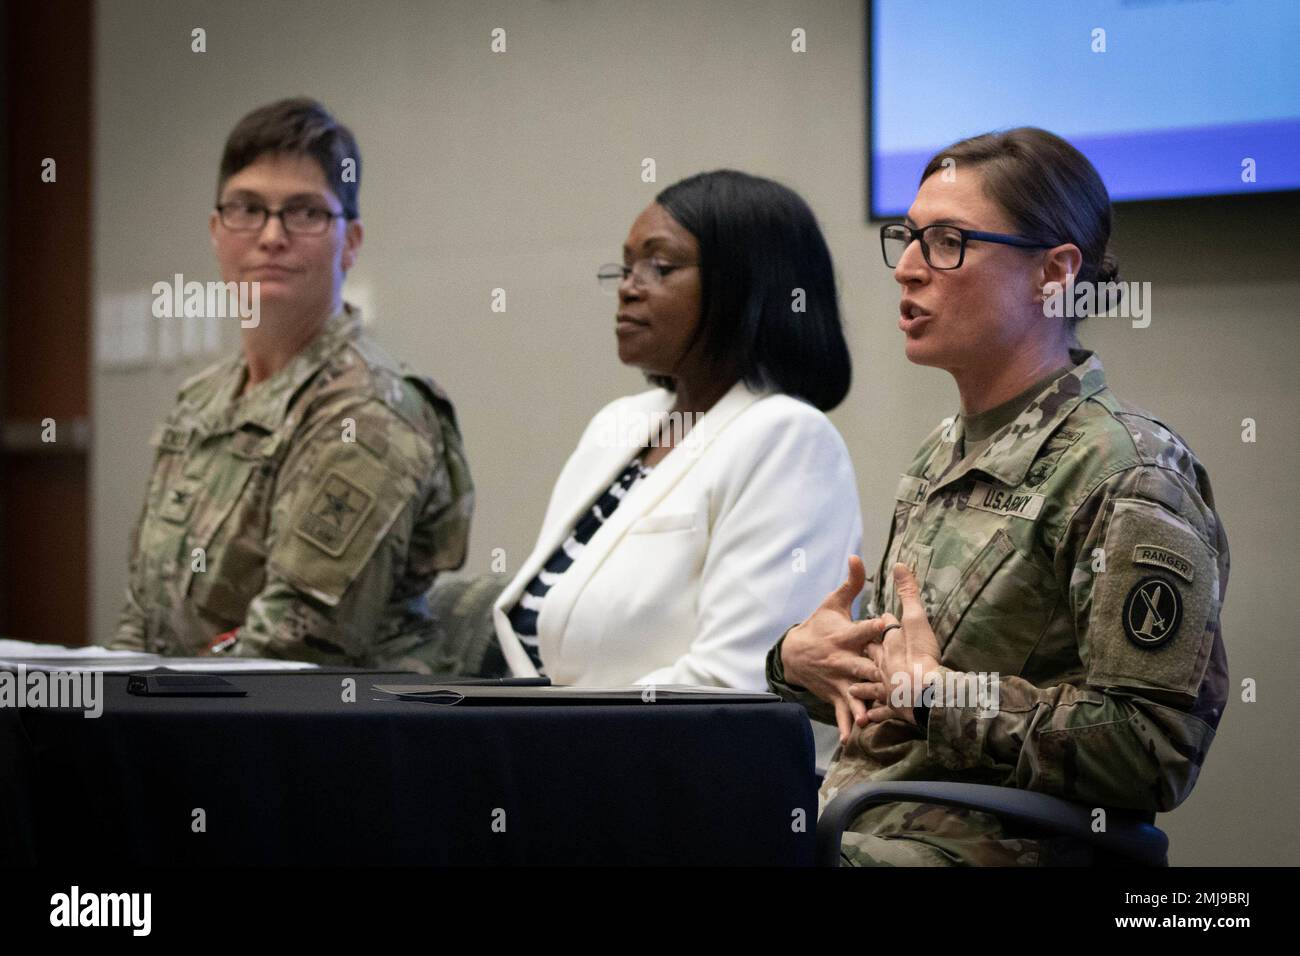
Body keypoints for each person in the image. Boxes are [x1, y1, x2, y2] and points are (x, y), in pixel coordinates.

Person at [768, 128, 1229, 865]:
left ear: (1054, 271)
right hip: (864, 824)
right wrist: (803, 663)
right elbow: (905, 692)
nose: (909, 270)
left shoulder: (1128, 472)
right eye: (909, 238)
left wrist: (942, 699)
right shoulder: (941, 453)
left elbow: (1153, 748)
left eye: (948, 241)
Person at [492, 171, 862, 749]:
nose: (629, 287)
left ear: (746, 287)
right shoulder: (620, 423)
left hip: (689, 790)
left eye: (660, 267)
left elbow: (733, 687)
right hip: (556, 771)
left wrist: (546, 751)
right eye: (626, 267)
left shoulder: (787, 439)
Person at [108, 98, 473, 669]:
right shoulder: (199, 401)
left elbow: (293, 645)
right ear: (215, 231)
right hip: (188, 724)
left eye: (304, 213)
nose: (271, 235)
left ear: (350, 242)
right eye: (247, 209)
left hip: (334, 736)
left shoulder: (371, 410)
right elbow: (142, 617)